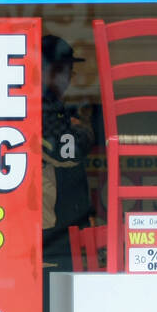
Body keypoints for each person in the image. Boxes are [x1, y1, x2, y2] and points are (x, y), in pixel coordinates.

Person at [41, 34, 95, 275]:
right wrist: (82, 130)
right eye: (62, 71)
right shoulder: (38, 104)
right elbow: (66, 152)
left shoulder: (51, 105)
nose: (66, 80)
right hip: (45, 232)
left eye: (69, 72)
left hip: (56, 230)